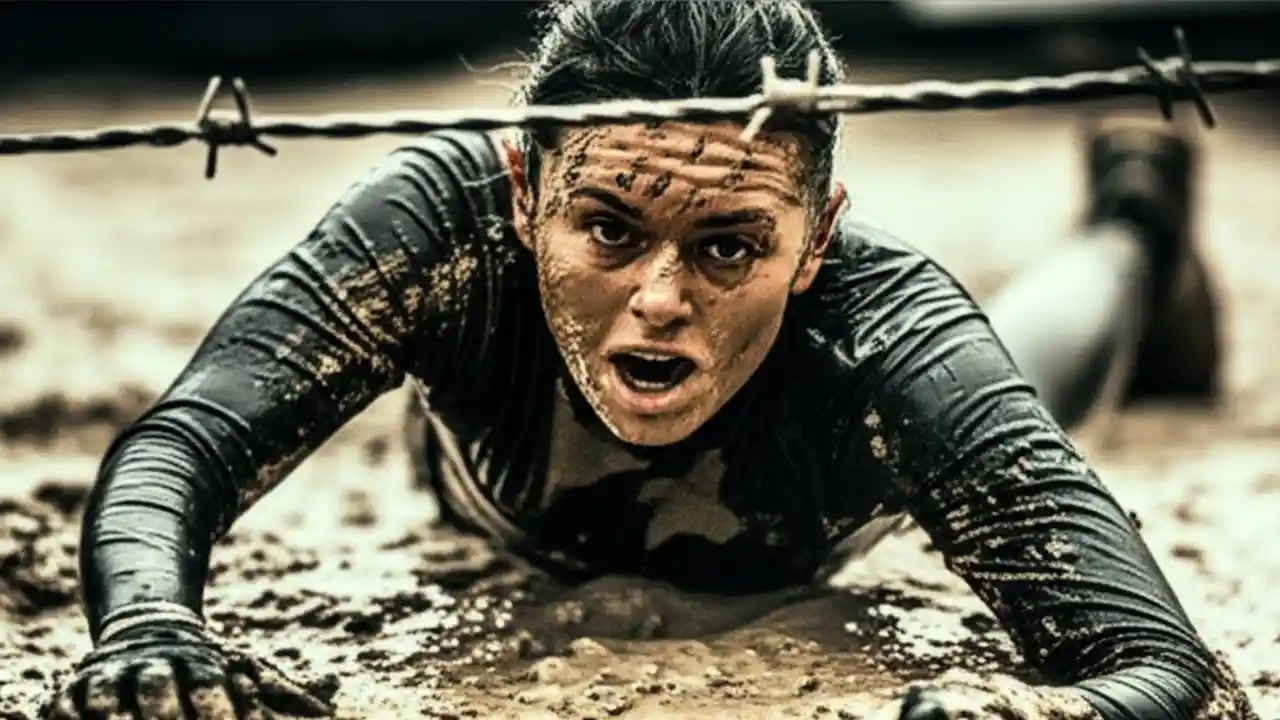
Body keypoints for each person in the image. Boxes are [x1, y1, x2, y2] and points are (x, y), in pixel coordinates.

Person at [45, 1, 1254, 718]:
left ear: (815, 241)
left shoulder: (886, 331)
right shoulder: (436, 229)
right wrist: (149, 624)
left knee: (1050, 348)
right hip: (491, 504)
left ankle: (1134, 228)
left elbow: (1164, 665)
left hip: (841, 498)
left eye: (729, 247)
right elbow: (184, 442)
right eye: (609, 232)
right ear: (525, 195)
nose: (660, 303)